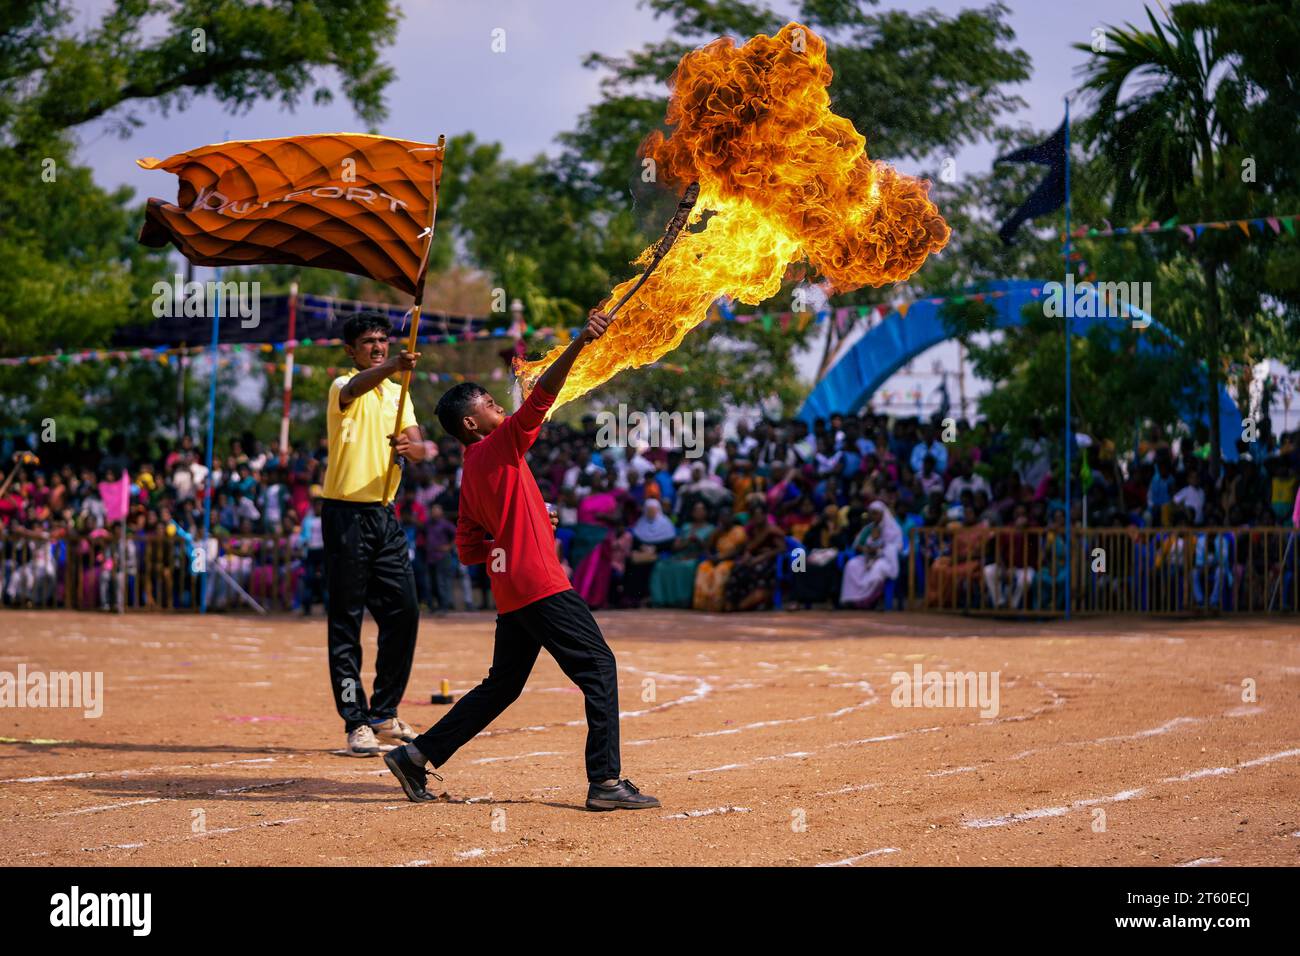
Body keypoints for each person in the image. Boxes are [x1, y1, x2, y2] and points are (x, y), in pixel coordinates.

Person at [384, 308, 659, 811]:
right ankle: (605, 781)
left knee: (503, 686)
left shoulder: (471, 472)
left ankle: (416, 755)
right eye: (490, 403)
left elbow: (471, 550)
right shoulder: (502, 443)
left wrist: (517, 534)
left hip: (513, 593)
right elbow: (542, 397)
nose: (498, 408)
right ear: (473, 423)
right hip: (541, 585)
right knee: (599, 668)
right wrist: (577, 343)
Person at [321, 311, 428, 757]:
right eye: (368, 342)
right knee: (347, 621)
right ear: (351, 349)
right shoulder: (343, 386)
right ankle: (355, 721)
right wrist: (392, 367)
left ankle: (384, 712)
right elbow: (353, 388)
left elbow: (420, 445)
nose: (378, 346)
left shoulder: (398, 393)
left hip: (384, 516)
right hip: (345, 514)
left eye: (383, 340)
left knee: (404, 612)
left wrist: (415, 449)